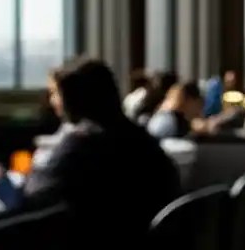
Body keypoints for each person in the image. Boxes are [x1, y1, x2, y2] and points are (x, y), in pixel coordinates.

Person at [18, 58, 181, 229]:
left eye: (54, 93)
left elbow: (35, 196)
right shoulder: (143, 140)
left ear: (71, 98)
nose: (52, 101)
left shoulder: (81, 146)